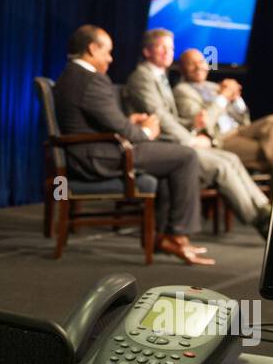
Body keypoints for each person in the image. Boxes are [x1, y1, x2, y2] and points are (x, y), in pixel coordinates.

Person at [53, 25, 215, 265]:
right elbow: (124, 130)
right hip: (99, 156)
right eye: (107, 51)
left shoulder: (72, 75)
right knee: (186, 156)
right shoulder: (89, 80)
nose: (110, 58)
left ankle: (165, 236)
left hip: (96, 149)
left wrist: (130, 122)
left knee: (173, 158)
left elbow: (104, 120)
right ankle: (176, 236)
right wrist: (148, 129)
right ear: (92, 48)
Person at [123, 29, 272, 238]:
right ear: (147, 51)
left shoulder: (160, 77)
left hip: (176, 140)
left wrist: (191, 123)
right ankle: (259, 220)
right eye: (161, 47)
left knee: (231, 159)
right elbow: (159, 117)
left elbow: (170, 118)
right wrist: (190, 139)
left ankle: (265, 208)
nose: (167, 52)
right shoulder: (142, 77)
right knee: (221, 165)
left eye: (171, 48)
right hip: (160, 145)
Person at [173, 47, 273, 173]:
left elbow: (244, 118)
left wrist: (236, 98)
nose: (198, 66)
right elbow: (203, 124)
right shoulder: (182, 91)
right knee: (271, 149)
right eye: (191, 64)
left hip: (239, 129)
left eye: (201, 61)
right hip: (220, 138)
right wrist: (223, 97)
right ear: (182, 69)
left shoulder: (214, 86)